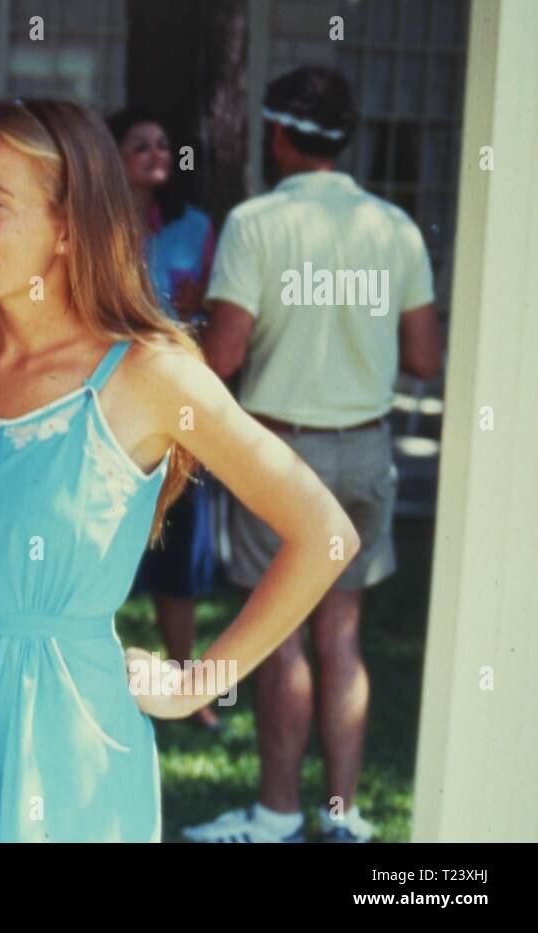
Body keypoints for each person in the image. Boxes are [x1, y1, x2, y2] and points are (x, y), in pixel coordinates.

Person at [0, 98, 362, 843]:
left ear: (69, 226)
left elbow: (324, 532)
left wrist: (200, 679)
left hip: (74, 750)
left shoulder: (151, 376)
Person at [186, 67, 444, 843]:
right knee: (342, 633)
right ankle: (344, 813)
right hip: (366, 448)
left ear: (276, 134)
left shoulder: (256, 223)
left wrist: (192, 319)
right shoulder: (395, 227)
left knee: (282, 635)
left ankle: (274, 812)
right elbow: (425, 357)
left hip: (280, 456)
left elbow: (223, 355)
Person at [107, 108, 222, 731]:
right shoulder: (91, 226)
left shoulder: (196, 228)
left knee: (177, 548)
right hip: (106, 405)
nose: (155, 152)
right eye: (139, 143)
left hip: (176, 411)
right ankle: (100, 673)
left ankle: (188, 683)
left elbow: (211, 310)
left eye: (163, 143)